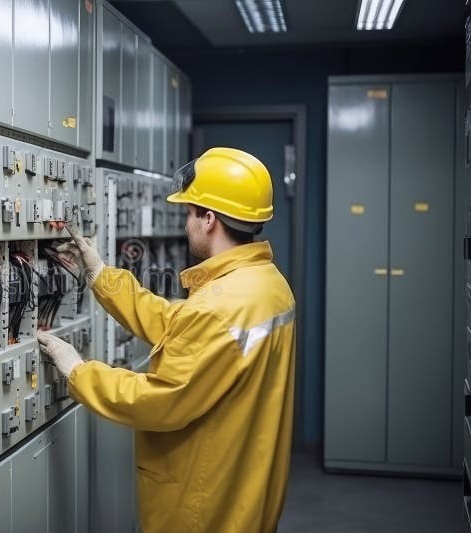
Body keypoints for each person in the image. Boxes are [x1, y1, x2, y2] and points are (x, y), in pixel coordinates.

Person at [37, 147, 296, 533]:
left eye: (189, 213)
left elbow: (159, 400)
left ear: (209, 219)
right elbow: (181, 327)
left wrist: (79, 371)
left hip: (204, 507)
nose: (186, 224)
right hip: (246, 492)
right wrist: (100, 274)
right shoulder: (269, 285)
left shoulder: (219, 305)